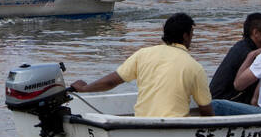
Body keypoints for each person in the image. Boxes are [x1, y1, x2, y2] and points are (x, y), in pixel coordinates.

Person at [70, 13, 214, 118]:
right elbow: (206, 110)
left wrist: (84, 88)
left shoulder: (143, 54)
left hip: (141, 122)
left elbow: (110, 82)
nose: (192, 38)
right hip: (176, 125)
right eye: (192, 33)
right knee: (220, 105)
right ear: (185, 36)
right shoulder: (194, 67)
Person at [209, 12, 261, 103]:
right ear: (256, 33)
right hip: (223, 102)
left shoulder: (242, 46)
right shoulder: (249, 53)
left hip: (217, 99)